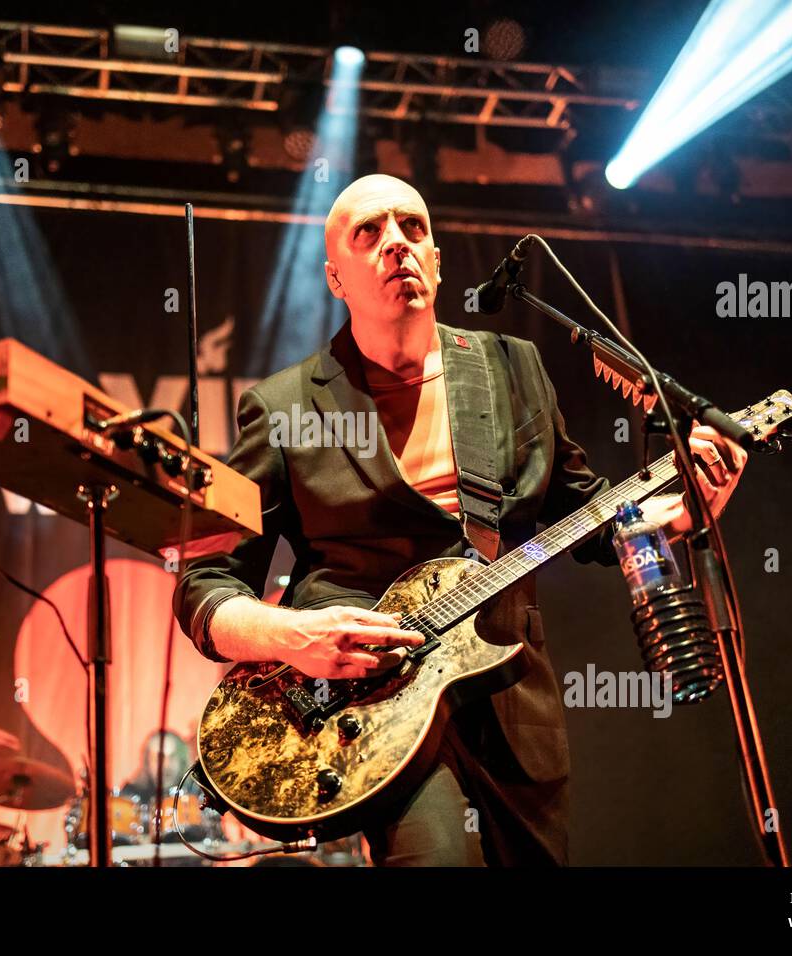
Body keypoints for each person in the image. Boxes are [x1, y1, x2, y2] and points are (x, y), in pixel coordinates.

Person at [173, 174, 747, 866]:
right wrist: (290, 635)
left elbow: (595, 518)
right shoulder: (285, 405)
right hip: (371, 716)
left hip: (509, 699)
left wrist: (690, 508)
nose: (396, 244)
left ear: (438, 262)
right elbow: (204, 580)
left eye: (413, 228)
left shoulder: (511, 368)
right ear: (335, 277)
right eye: (370, 232)